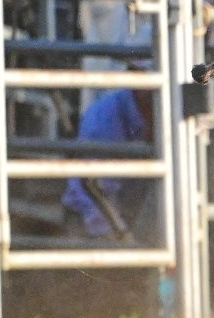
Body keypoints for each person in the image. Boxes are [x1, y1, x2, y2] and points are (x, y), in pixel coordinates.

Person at [62, 87, 154, 237]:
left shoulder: (155, 110)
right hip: (89, 217)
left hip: (128, 211)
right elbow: (95, 190)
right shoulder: (104, 122)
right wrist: (119, 242)